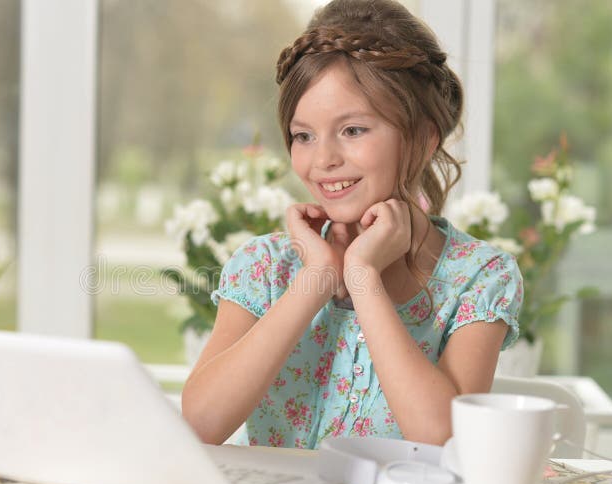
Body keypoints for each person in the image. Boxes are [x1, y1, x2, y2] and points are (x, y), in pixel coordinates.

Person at [182, 0, 523, 449]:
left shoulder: (479, 277)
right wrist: (317, 278)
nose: (323, 160)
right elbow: (199, 424)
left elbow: (445, 440)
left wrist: (363, 278)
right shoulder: (266, 267)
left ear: (422, 139)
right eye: (303, 136)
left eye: (353, 130)